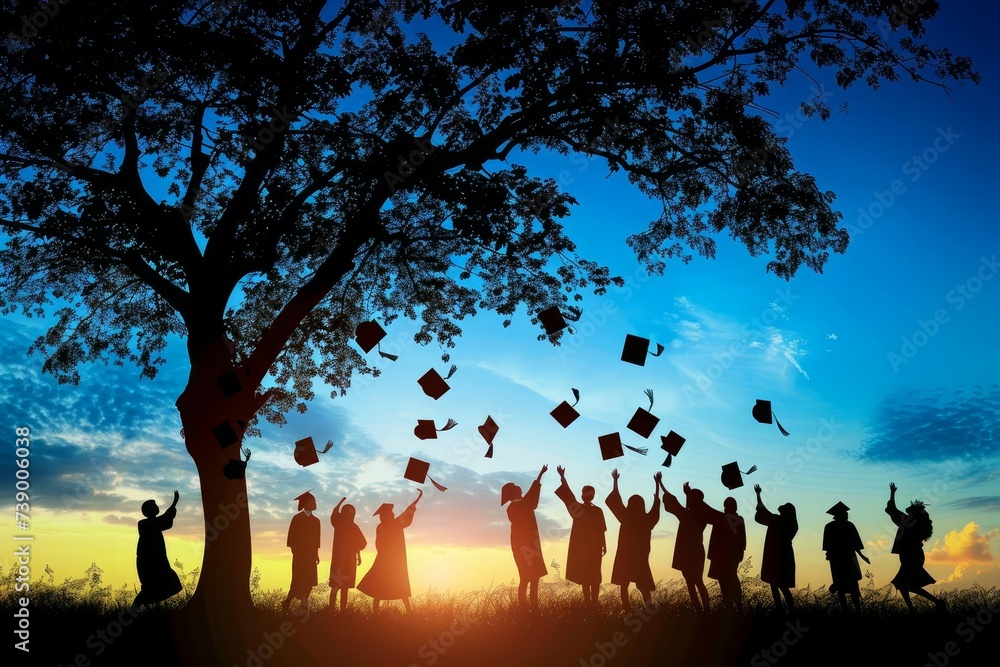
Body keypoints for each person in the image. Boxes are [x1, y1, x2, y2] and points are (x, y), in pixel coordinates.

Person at [358, 490, 422, 613]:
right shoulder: (390, 525)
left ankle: (406, 612)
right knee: (383, 585)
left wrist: (416, 501)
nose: (393, 514)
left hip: (389, 560)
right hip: (388, 560)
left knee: (391, 584)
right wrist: (414, 503)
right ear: (385, 515)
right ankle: (404, 613)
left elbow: (407, 513)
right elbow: (406, 514)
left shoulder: (391, 524)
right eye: (391, 512)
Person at [885, 482, 946, 613]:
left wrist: (892, 493)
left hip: (911, 555)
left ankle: (929, 605)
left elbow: (892, 509)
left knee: (905, 584)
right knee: (905, 584)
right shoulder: (914, 524)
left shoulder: (909, 523)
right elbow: (893, 510)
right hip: (914, 555)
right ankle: (931, 604)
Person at [606, 469, 660, 612]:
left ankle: (626, 608)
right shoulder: (646, 520)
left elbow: (615, 500)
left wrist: (615, 481)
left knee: (624, 582)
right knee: (643, 584)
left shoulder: (625, 517)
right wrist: (657, 486)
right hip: (640, 556)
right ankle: (648, 607)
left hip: (626, 555)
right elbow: (656, 507)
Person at [554, 465, 607, 606]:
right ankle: (591, 603)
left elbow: (569, 496)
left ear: (584, 495)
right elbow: (602, 530)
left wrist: (563, 478)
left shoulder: (587, 510)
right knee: (591, 574)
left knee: (590, 574)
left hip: (590, 546)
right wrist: (603, 545)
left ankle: (590, 602)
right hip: (590, 546)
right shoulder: (593, 510)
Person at [659, 479, 711, 612]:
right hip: (696, 551)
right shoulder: (702, 515)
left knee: (693, 582)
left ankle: (701, 611)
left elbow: (674, 502)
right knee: (697, 581)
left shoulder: (687, 515)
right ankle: (705, 611)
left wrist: (661, 484)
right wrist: (688, 494)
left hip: (688, 553)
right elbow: (677, 503)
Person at [502, 465, 548, 610]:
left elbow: (531, 495)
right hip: (526, 547)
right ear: (515, 494)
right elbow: (532, 494)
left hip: (525, 546)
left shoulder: (516, 507)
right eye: (518, 491)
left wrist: (540, 475)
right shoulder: (518, 506)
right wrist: (540, 475)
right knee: (529, 578)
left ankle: (529, 607)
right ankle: (528, 607)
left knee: (530, 577)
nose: (521, 492)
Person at [133, 490, 183, 608]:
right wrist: (174, 503)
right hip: (150, 563)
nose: (157, 508)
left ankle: (150, 608)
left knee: (169, 585)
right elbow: (164, 519)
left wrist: (174, 504)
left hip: (158, 561)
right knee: (152, 587)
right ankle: (136, 609)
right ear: (149, 511)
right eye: (154, 506)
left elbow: (165, 521)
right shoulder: (144, 524)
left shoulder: (152, 524)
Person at [754, 484, 797, 613]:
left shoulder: (776, 521)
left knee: (776, 584)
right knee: (781, 585)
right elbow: (763, 511)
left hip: (776, 557)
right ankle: (790, 610)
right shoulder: (791, 525)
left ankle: (781, 609)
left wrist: (758, 494)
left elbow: (762, 510)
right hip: (785, 556)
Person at [823, 501, 870, 612]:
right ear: (839, 515)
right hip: (840, 560)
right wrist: (829, 554)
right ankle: (848, 609)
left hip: (846, 559)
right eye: (845, 514)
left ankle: (856, 608)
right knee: (843, 584)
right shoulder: (832, 527)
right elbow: (828, 547)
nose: (847, 515)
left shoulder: (845, 526)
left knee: (852, 584)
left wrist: (862, 556)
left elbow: (855, 544)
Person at [704, 496, 746, 614]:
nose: (725, 508)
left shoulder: (727, 518)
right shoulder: (727, 518)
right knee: (725, 580)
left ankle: (735, 605)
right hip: (724, 556)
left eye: (727, 505)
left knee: (728, 579)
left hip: (727, 556)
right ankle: (731, 606)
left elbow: (740, 539)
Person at [283, 490, 321, 613]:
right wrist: (296, 551)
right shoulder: (297, 518)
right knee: (297, 580)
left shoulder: (316, 521)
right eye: (313, 501)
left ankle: (304, 605)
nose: (315, 503)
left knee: (309, 580)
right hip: (299, 556)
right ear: (306, 503)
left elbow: (316, 540)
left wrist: (316, 554)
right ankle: (287, 602)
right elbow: (291, 536)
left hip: (310, 556)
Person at [329, 496, 367, 612]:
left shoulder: (350, 527)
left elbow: (361, 543)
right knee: (338, 586)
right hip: (342, 560)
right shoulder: (341, 525)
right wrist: (340, 503)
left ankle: (340, 610)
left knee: (341, 587)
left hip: (345, 560)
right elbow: (334, 516)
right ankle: (334, 610)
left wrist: (358, 555)